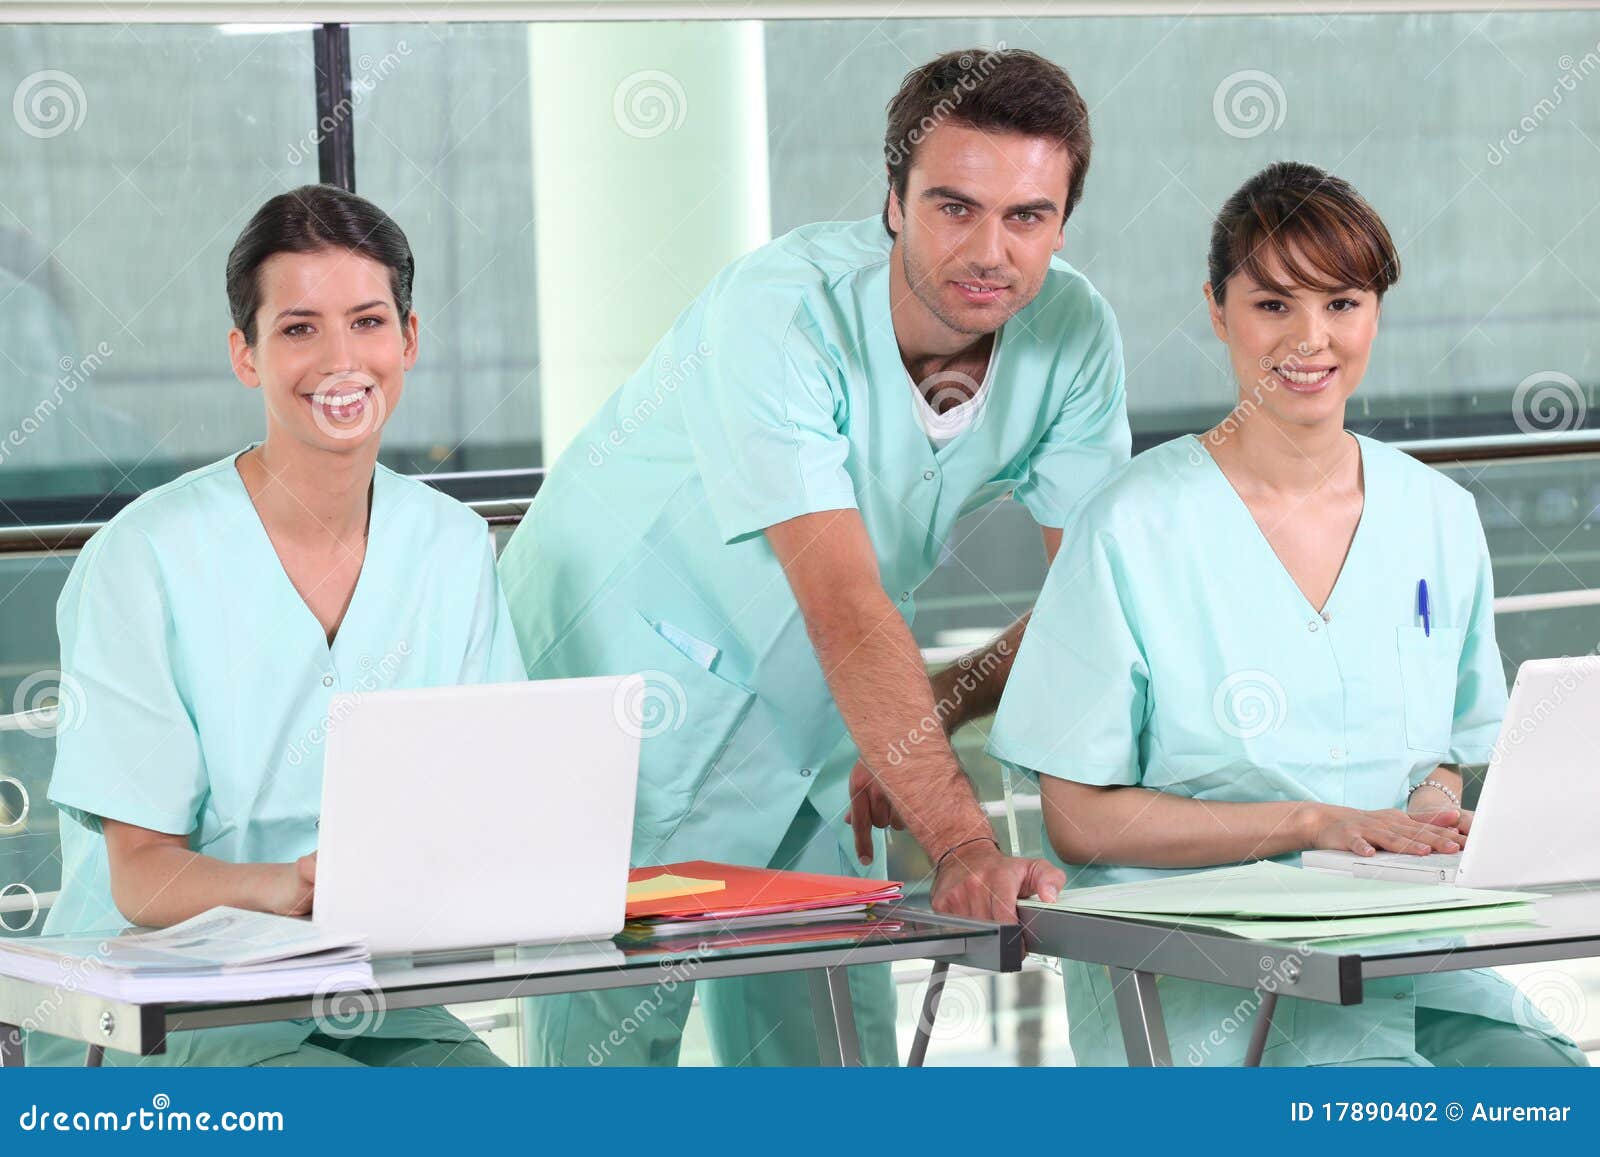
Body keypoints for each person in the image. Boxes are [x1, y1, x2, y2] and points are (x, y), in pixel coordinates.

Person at [498, 47, 1130, 1067]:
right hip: (631, 687)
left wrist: (936, 709)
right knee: (607, 1056)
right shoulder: (781, 312)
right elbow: (840, 594)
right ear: (892, 201)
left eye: (1027, 217)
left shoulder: (1071, 331)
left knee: (835, 1053)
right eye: (952, 206)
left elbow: (1096, 598)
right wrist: (962, 837)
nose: (990, 250)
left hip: (822, 708)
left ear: (1062, 220)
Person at [987, 161, 1590, 1067]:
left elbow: (1445, 756)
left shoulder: (1436, 514)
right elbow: (1079, 819)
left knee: (1548, 1091)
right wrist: (1313, 823)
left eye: (1342, 302)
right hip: (1201, 977)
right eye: (1274, 304)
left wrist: (1426, 818)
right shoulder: (1132, 525)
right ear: (1217, 308)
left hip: (1401, 956)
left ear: (1376, 311)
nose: (1311, 339)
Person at [30, 184, 525, 1067]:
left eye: (368, 321)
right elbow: (142, 872)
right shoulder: (144, 558)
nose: (341, 357)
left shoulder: (451, 544)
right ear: (245, 355)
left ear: (408, 340)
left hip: (373, 992)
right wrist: (296, 890)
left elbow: (489, 792)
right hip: (155, 1006)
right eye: (298, 328)